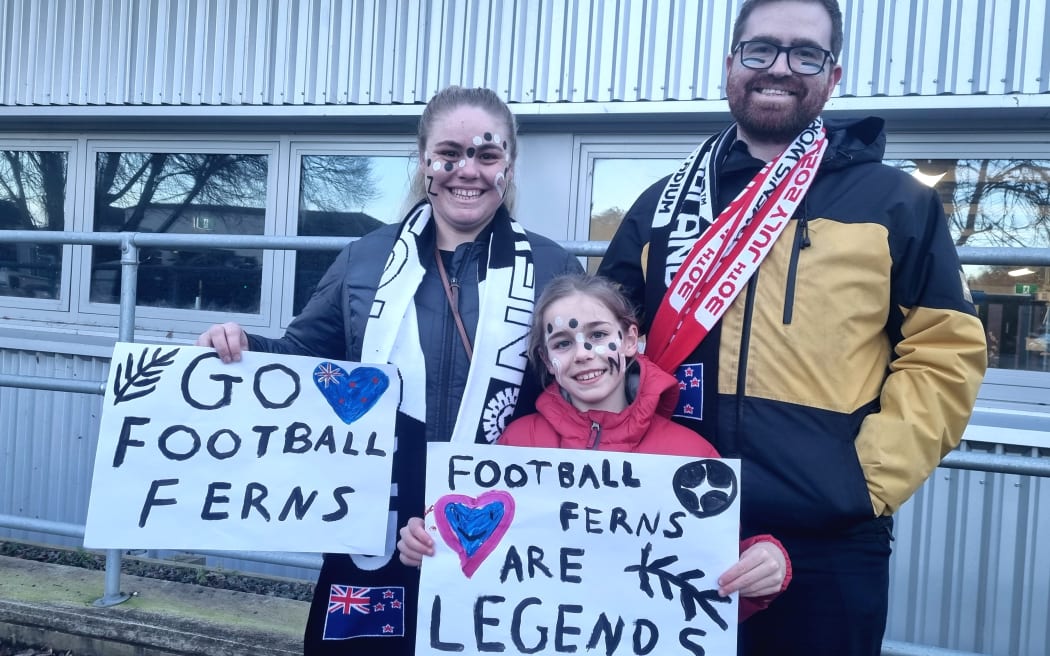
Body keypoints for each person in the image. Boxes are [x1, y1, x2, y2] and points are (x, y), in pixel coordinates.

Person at [595, 1, 988, 654]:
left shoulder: (897, 202)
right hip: (670, 520)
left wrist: (861, 482)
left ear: (833, 76)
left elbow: (945, 353)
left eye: (806, 54)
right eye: (761, 49)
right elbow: (604, 344)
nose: (779, 67)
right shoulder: (663, 205)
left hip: (826, 543)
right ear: (731, 64)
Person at [197, 85, 582, 655]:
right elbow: (306, 355)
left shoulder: (553, 267)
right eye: (448, 153)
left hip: (504, 515)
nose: (467, 170)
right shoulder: (366, 258)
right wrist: (241, 346)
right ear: (423, 160)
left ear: (509, 163)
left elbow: (588, 388)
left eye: (486, 154)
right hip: (375, 512)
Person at [397, 272, 792, 622]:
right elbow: (479, 564)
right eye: (563, 342)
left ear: (630, 340)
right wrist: (431, 545)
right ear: (547, 360)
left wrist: (765, 566)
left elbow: (716, 592)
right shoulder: (517, 444)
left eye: (598, 335)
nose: (583, 353)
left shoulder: (692, 457)